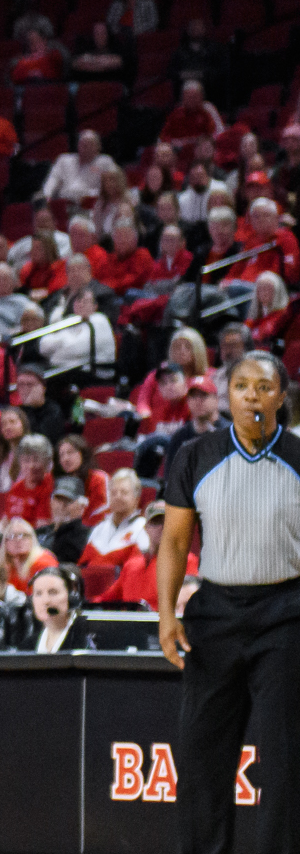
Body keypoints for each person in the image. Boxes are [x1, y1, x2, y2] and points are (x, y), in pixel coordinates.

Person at [156, 351, 300, 854]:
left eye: (264, 387)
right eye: (242, 386)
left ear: (282, 397)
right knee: (201, 757)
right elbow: (174, 543)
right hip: (214, 612)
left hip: (287, 613)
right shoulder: (195, 454)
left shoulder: (299, 458)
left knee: (284, 761)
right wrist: (168, 614)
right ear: (227, 394)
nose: (252, 397)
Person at [28, 567, 93, 653]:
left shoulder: (85, 639)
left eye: (53, 592)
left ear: (71, 598)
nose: (45, 601)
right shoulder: (27, 645)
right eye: (38, 594)